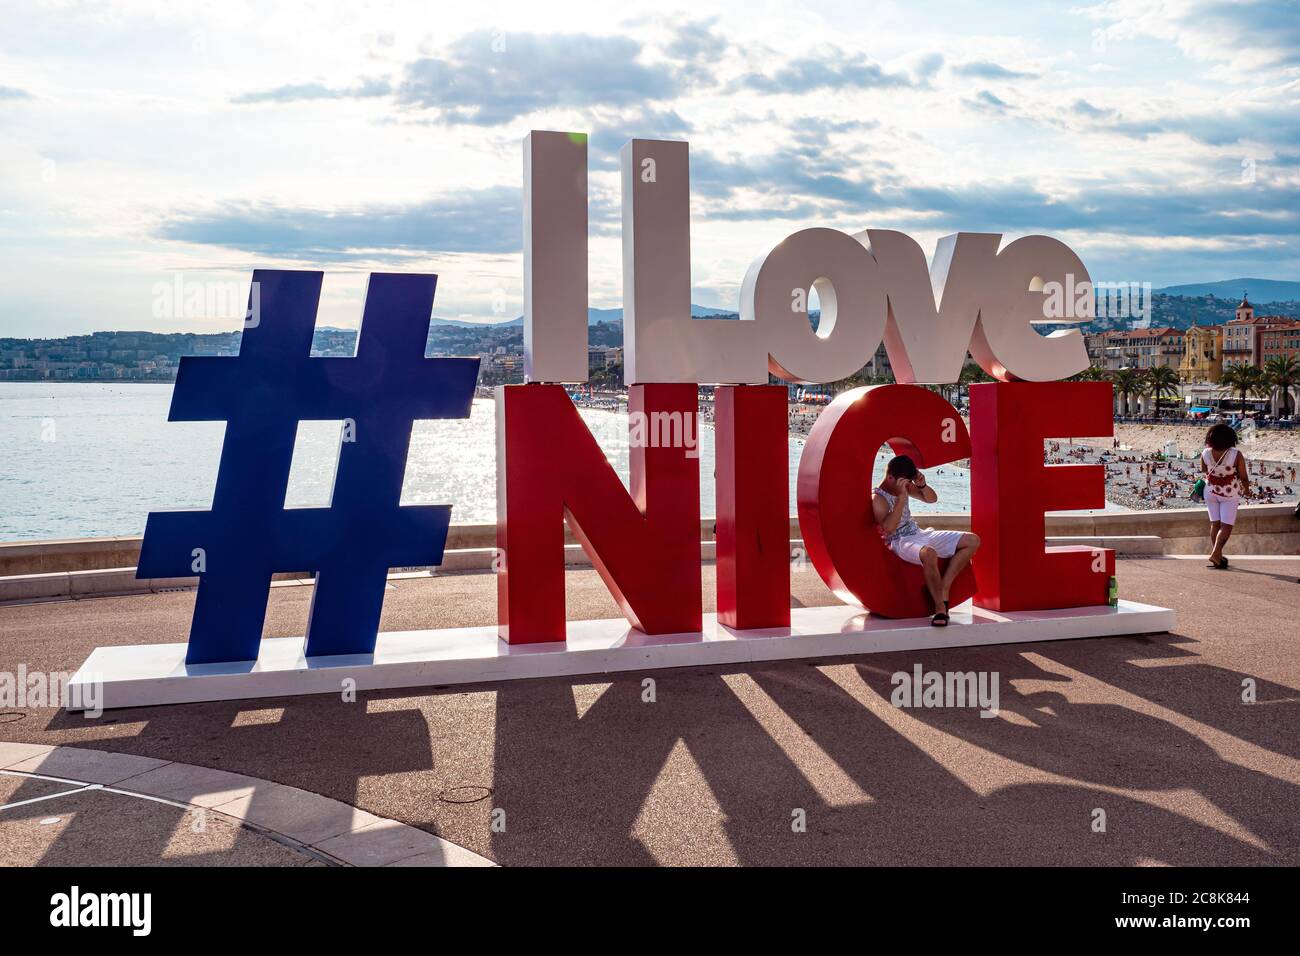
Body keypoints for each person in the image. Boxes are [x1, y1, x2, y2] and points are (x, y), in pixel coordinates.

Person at [872, 455, 981, 627]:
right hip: (899, 541)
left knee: (972, 540)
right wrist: (901, 497)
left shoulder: (905, 485)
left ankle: (944, 587)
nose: (906, 485)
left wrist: (921, 485)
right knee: (929, 553)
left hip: (918, 533)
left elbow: (931, 499)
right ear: (890, 477)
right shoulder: (878, 499)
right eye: (903, 482)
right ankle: (940, 607)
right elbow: (889, 529)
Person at [1200, 423, 1251, 569]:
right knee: (1226, 525)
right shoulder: (1236, 454)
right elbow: (1244, 477)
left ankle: (1218, 556)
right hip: (1229, 493)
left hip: (1210, 491)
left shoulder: (1205, 453)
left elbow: (1204, 470)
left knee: (1215, 524)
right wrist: (1246, 490)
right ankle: (1216, 553)